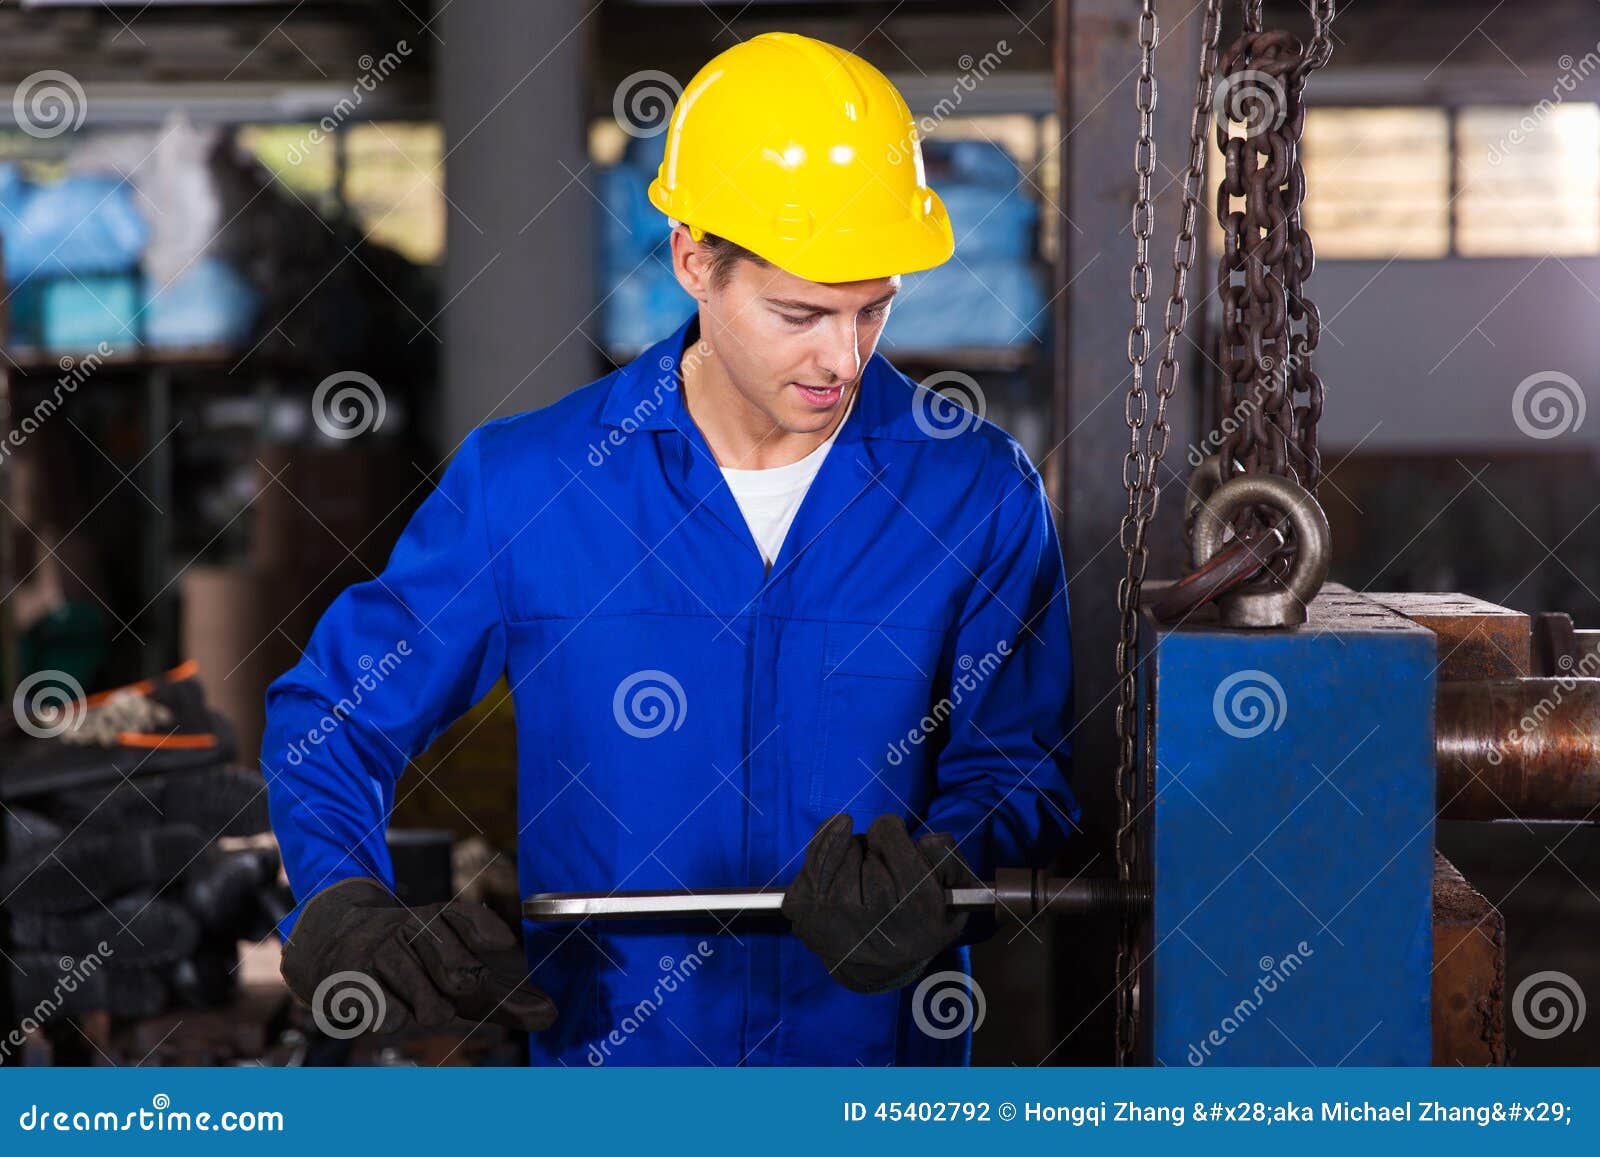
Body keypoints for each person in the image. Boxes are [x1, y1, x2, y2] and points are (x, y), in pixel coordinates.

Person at [263, 30, 1078, 1067]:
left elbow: (1021, 766)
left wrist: (947, 861)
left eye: (873, 309)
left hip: (876, 1081)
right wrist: (341, 900)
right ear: (695, 260)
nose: (844, 356)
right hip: (615, 1072)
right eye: (802, 312)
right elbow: (334, 712)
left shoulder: (971, 491)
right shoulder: (535, 484)